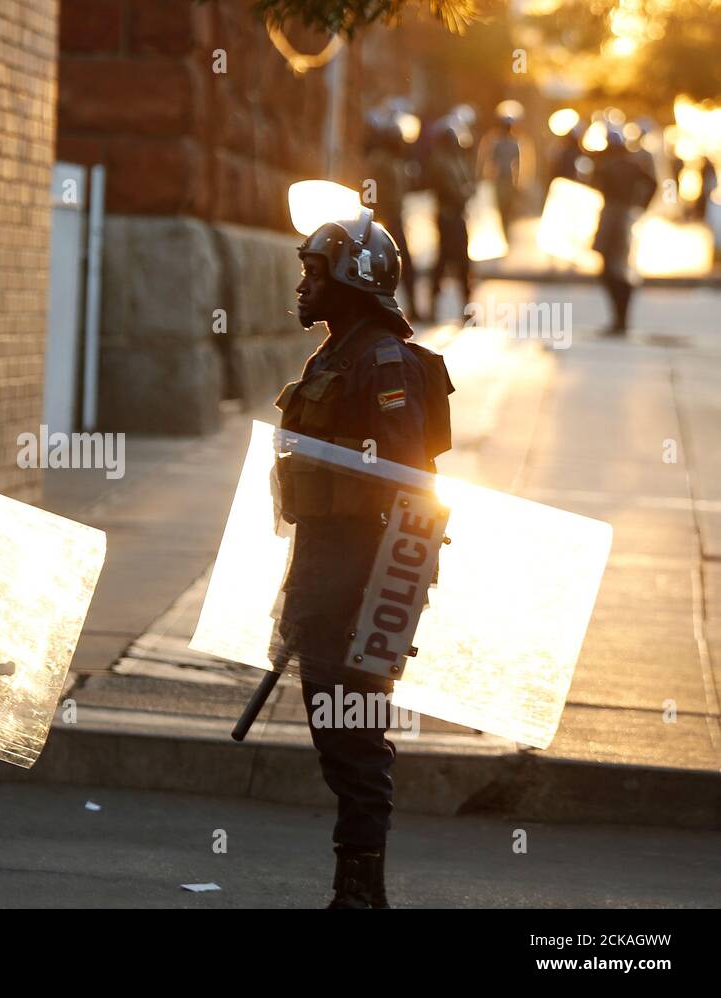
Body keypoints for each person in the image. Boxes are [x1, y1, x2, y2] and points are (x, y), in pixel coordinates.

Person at [270, 209, 453, 908]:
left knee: (355, 735)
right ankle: (355, 882)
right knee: (336, 730)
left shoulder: (382, 361)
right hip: (323, 576)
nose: (302, 286)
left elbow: (409, 486)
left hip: (362, 584)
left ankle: (360, 889)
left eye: (314, 273)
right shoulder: (337, 353)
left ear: (352, 281)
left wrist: (381, 601)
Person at [592, 131, 656, 334]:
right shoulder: (631, 164)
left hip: (613, 217)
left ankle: (620, 319)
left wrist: (640, 206)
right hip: (624, 216)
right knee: (617, 269)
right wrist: (641, 206)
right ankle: (620, 319)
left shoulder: (608, 166)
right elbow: (652, 183)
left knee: (613, 271)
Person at [365, 112, 421, 321]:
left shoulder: (399, 164)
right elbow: (368, 190)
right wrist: (371, 217)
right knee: (375, 267)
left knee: (405, 264)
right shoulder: (378, 161)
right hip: (382, 222)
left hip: (396, 219)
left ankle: (413, 307)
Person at [426, 118, 477, 321]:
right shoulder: (441, 162)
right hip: (448, 217)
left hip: (457, 216)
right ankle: (433, 307)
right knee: (444, 262)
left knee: (462, 264)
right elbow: (451, 190)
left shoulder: (457, 161)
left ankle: (466, 309)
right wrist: (464, 194)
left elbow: (467, 184)